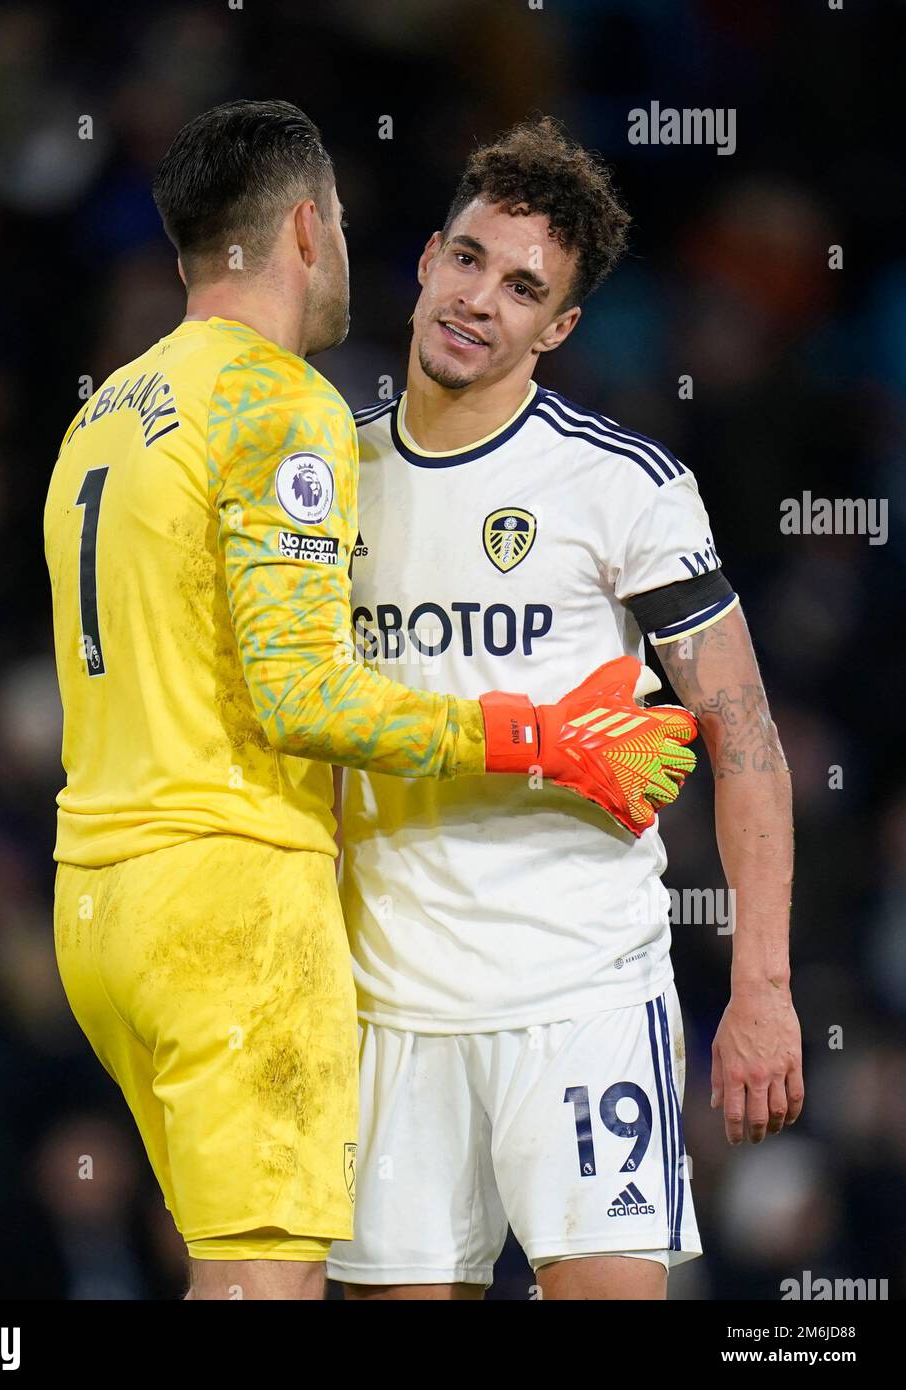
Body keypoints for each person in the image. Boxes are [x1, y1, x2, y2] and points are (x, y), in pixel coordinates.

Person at [43, 100, 696, 1301]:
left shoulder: (106, 411)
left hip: (95, 897)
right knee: (264, 1286)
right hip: (229, 902)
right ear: (306, 229)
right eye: (340, 222)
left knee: (222, 1264)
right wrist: (536, 738)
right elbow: (301, 695)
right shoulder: (282, 404)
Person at [328, 117, 802, 1301]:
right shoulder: (328, 481)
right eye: (469, 259)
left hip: (580, 995)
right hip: (386, 1008)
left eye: (523, 287)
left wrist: (761, 989)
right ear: (427, 258)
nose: (479, 299)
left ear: (559, 327)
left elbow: (745, 739)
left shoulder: (620, 487)